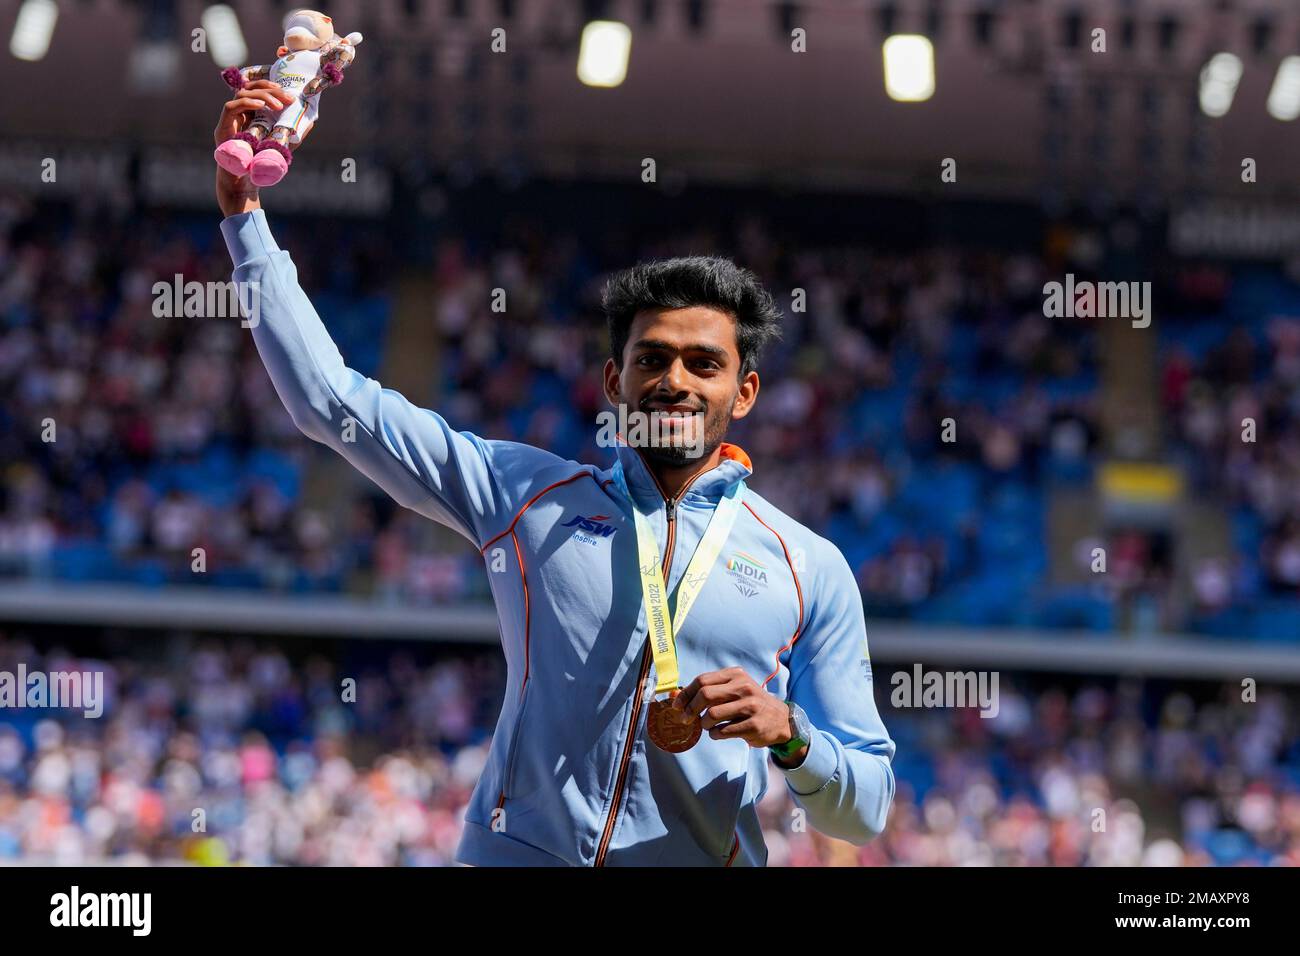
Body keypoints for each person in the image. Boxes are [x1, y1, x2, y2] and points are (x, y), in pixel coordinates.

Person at [212, 82, 895, 866]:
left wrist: (791, 735)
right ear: (615, 383)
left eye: (704, 363)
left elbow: (866, 809)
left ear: (743, 392)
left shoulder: (810, 568)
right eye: (652, 359)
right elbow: (328, 402)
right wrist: (244, 221)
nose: (675, 379)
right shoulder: (526, 496)